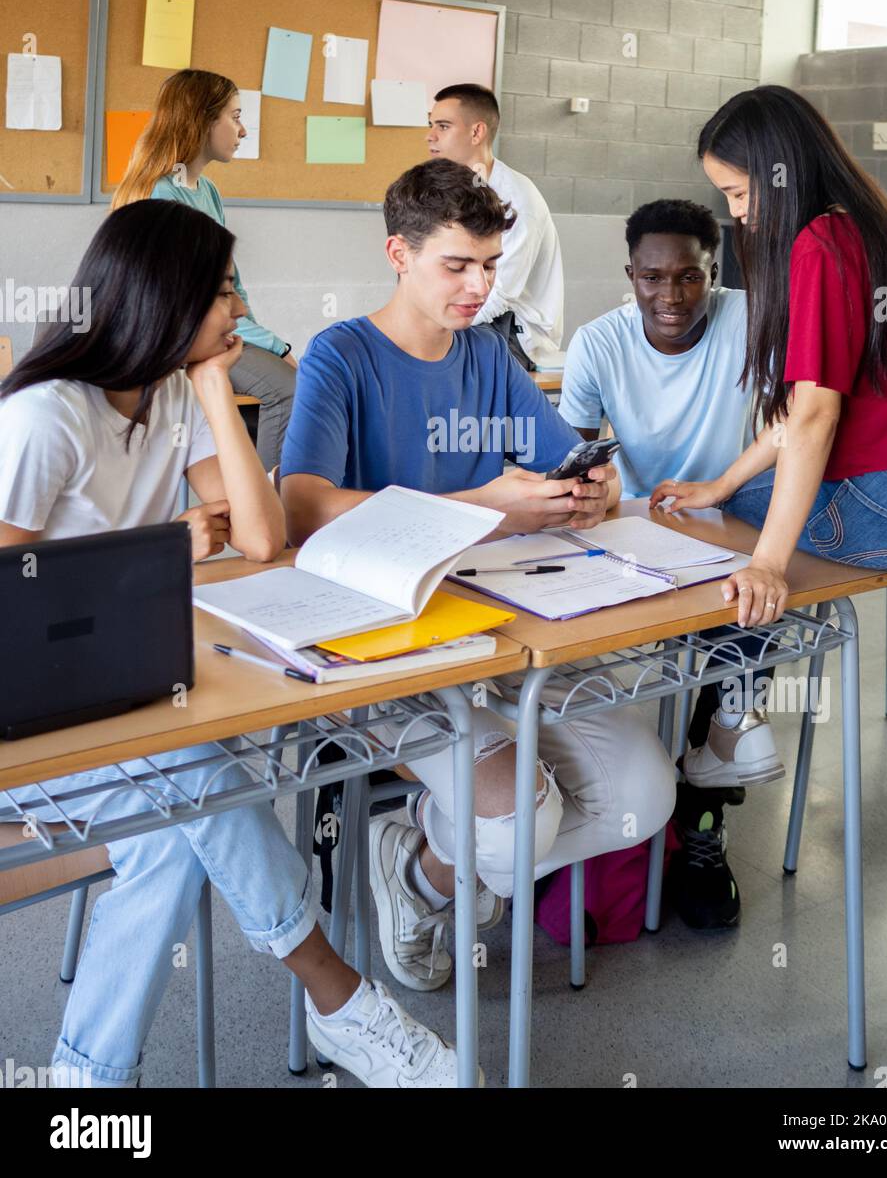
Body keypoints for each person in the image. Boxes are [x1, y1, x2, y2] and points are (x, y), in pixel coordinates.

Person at [0, 200, 466, 1087]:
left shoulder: (170, 392)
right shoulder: (45, 417)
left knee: (172, 837)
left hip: (124, 683)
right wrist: (154, 555)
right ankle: (344, 1005)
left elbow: (260, 539)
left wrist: (214, 389)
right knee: (201, 784)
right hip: (30, 704)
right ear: (163, 299)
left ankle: (86, 1083)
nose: (236, 310)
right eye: (222, 293)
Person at [280, 158, 676, 993]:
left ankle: (434, 859)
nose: (478, 286)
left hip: (498, 626)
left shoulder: (487, 359)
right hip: (379, 643)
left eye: (491, 265)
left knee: (644, 790)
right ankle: (437, 866)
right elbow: (304, 507)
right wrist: (484, 505)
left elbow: (553, 462)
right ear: (399, 253)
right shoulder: (340, 354)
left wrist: (588, 486)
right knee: (515, 826)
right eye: (456, 265)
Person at [650, 84, 887, 1033]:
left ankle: (726, 718)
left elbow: (815, 413)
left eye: (739, 196)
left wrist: (769, 563)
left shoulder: (821, 243)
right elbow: (804, 410)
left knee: (731, 541)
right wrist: (722, 482)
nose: (735, 215)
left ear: (777, 177)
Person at [560, 198, 755, 929]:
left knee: (747, 624)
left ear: (714, 273)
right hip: (638, 535)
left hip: (738, 519)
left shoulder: (751, 317)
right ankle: (609, 809)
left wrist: (727, 491)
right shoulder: (598, 343)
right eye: (650, 278)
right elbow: (568, 461)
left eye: (688, 278)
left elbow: (805, 419)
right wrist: (590, 492)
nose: (669, 298)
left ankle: (703, 818)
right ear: (628, 274)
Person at [112, 69, 296, 472]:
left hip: (210, 330)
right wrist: (275, 347)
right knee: (289, 390)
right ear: (202, 119)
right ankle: (275, 507)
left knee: (290, 374)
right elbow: (192, 296)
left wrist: (264, 339)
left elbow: (232, 283)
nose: (243, 130)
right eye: (235, 116)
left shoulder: (207, 191)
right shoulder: (162, 192)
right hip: (173, 340)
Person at [427, 83, 564, 369]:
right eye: (431, 125)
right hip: (471, 314)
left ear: (477, 132)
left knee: (433, 357)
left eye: (443, 126)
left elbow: (499, 295)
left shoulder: (517, 200)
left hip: (513, 332)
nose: (431, 136)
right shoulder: (455, 191)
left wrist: (436, 328)